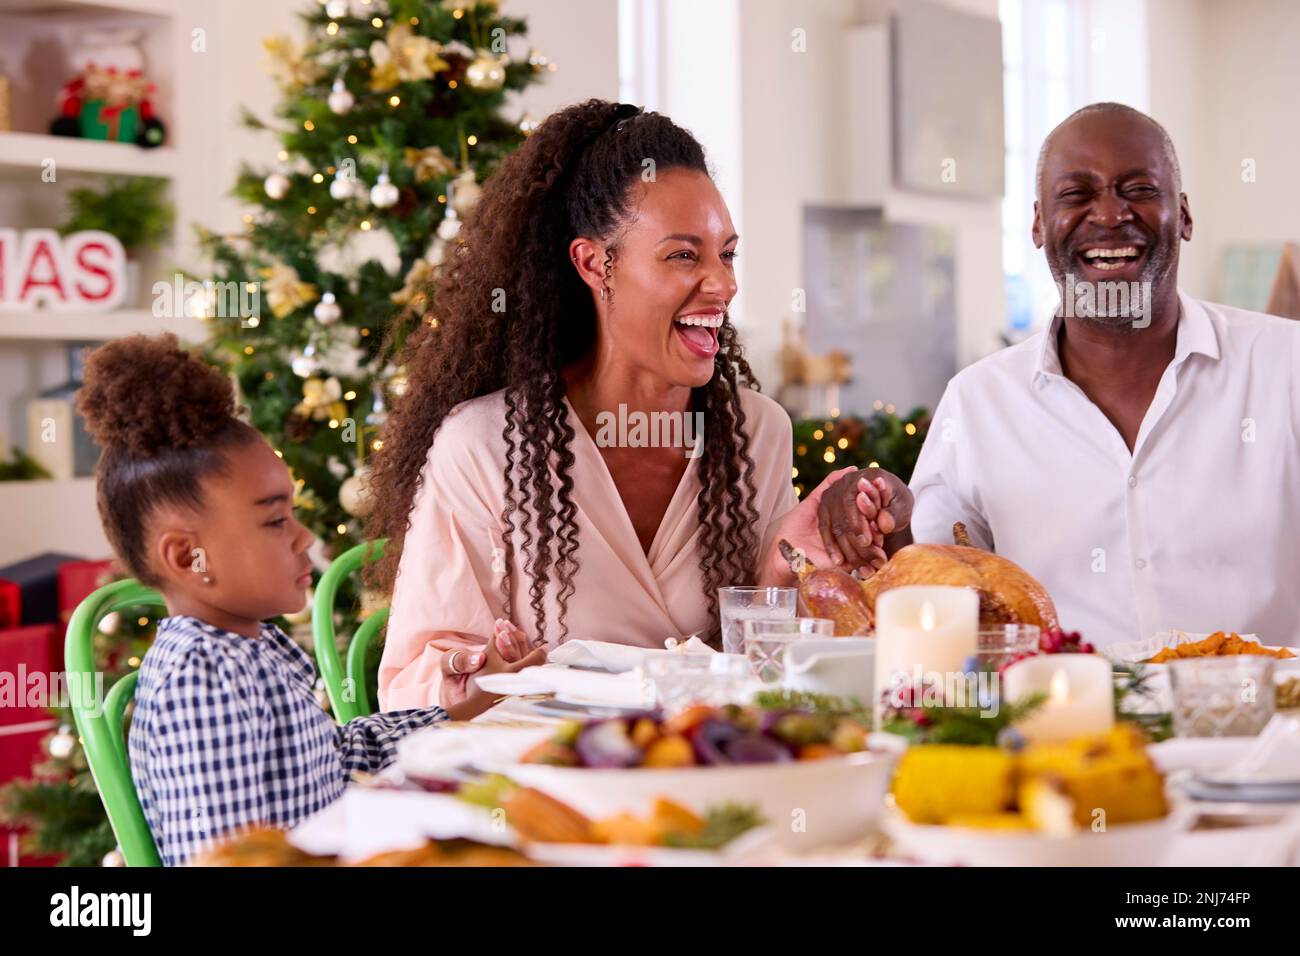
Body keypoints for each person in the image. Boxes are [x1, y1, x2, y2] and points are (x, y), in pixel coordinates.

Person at [367, 100, 851, 711]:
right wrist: (476, 678)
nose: (723, 283)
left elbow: (768, 675)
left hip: (709, 771)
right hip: (553, 783)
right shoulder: (484, 445)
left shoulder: (756, 431)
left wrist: (786, 570)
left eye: (726, 254)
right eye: (683, 255)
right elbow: (411, 687)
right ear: (595, 264)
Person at [818, 103, 1300, 647]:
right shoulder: (979, 403)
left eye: (1138, 189)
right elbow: (937, 589)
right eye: (1076, 195)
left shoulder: (1285, 368)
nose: (1111, 214)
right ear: (1039, 225)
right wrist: (889, 520)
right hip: (1061, 725)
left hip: (1272, 725)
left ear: (1184, 215)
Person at [76, 334, 541, 865]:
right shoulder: (200, 678)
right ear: (187, 558)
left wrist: (467, 708)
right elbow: (235, 858)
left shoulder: (248, 648)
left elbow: (336, 755)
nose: (303, 538)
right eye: (275, 520)